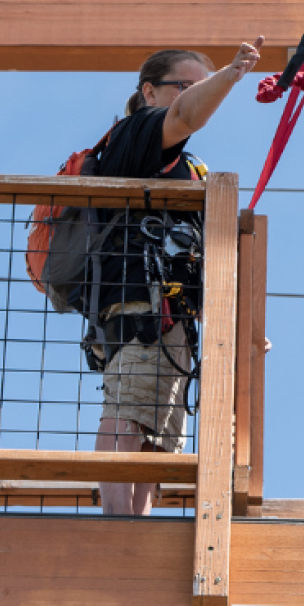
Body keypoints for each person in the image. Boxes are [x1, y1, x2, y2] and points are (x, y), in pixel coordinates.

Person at [91, 39, 263, 516]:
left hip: (176, 317)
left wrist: (242, 328)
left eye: (198, 86)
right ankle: (117, 523)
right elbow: (186, 116)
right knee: (129, 412)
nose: (193, 94)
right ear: (149, 91)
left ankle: (137, 522)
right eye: (184, 85)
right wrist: (229, 76)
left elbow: (205, 258)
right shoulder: (135, 135)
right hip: (137, 306)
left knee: (160, 430)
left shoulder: (189, 170)